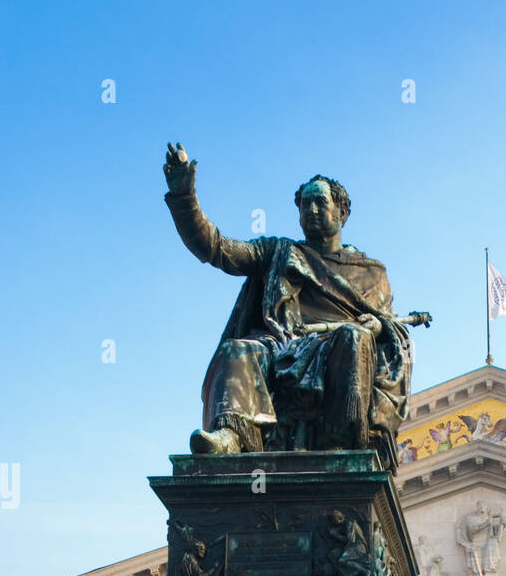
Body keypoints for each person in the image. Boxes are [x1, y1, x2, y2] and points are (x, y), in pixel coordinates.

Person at [164, 144, 429, 455]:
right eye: (304, 204)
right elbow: (216, 248)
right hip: (282, 341)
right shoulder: (278, 252)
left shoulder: (372, 273)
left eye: (319, 202)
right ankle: (231, 434)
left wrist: (379, 328)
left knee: (353, 337)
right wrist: (185, 199)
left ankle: (340, 447)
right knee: (237, 348)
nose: (311, 210)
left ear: (341, 213)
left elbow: (393, 331)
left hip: (338, 347)